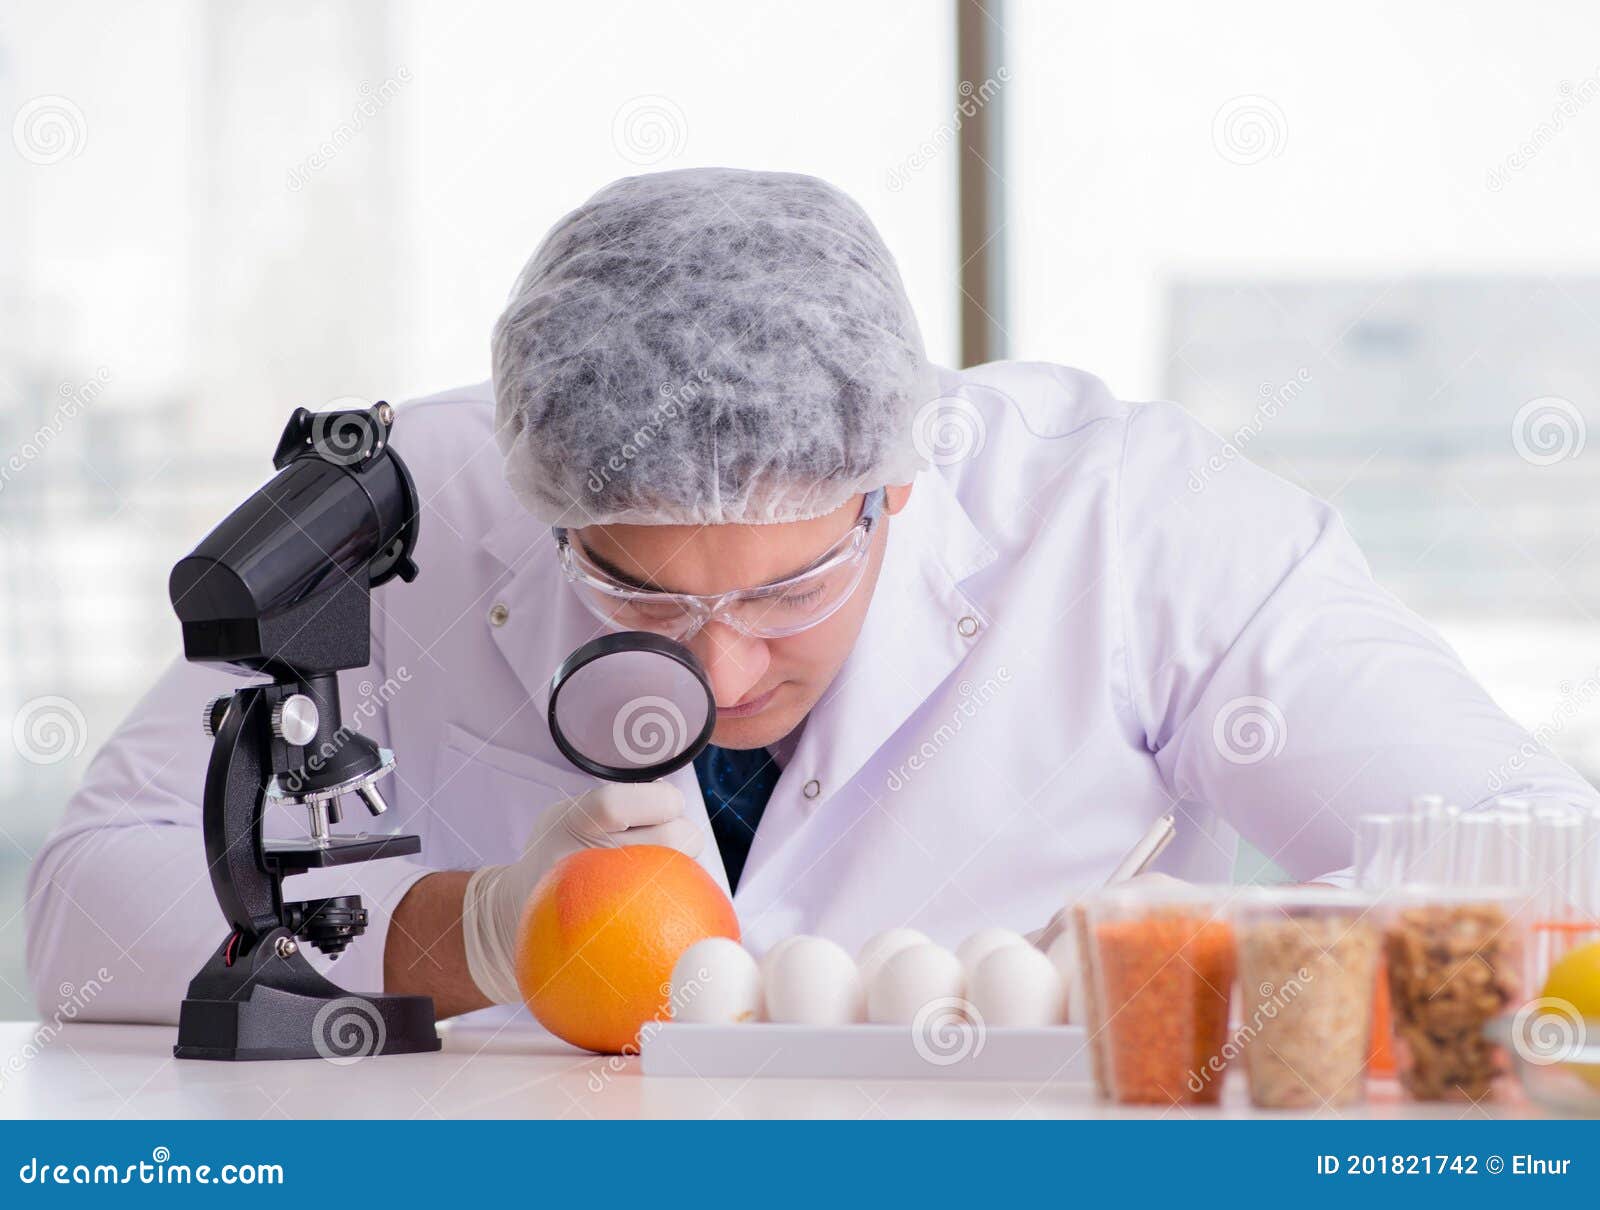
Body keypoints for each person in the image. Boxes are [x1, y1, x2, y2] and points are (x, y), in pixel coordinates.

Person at [26, 167, 1597, 1024]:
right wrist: (477, 932)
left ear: (898, 481)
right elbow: (84, 908)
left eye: (791, 589)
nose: (720, 665)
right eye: (636, 593)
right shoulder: (420, 509)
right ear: (545, 503)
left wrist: (1172, 958)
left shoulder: (1126, 520)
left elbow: (1538, 854)